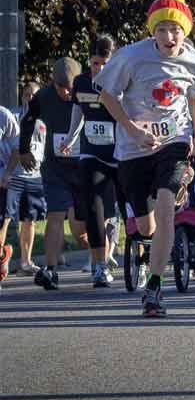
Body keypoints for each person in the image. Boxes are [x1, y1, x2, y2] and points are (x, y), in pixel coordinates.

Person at [95, 0, 195, 317]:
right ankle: (150, 251)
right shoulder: (131, 57)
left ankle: (155, 287)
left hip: (174, 140)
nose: (169, 36)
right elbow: (106, 95)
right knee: (145, 227)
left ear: (184, 31)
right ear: (153, 31)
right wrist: (132, 130)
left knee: (165, 209)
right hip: (133, 148)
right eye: (162, 29)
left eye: (175, 29)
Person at [17, 57, 87, 291]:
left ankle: (100, 259)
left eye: (71, 88)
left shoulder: (88, 91)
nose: (67, 92)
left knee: (81, 229)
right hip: (56, 167)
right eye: (61, 87)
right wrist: (24, 150)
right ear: (52, 83)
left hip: (85, 165)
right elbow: (28, 121)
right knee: (55, 215)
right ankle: (50, 270)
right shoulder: (43, 97)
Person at [62, 34, 123, 288]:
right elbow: (78, 111)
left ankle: (141, 258)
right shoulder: (82, 82)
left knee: (132, 207)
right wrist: (70, 137)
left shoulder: (123, 81)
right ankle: (99, 266)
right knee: (93, 206)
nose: (99, 69)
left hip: (121, 153)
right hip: (91, 153)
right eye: (95, 63)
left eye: (104, 64)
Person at [1, 99, 40, 287]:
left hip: (6, 178)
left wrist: (7, 173)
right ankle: (4, 254)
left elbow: (18, 146)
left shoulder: (4, 116)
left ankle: (4, 255)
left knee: (3, 223)